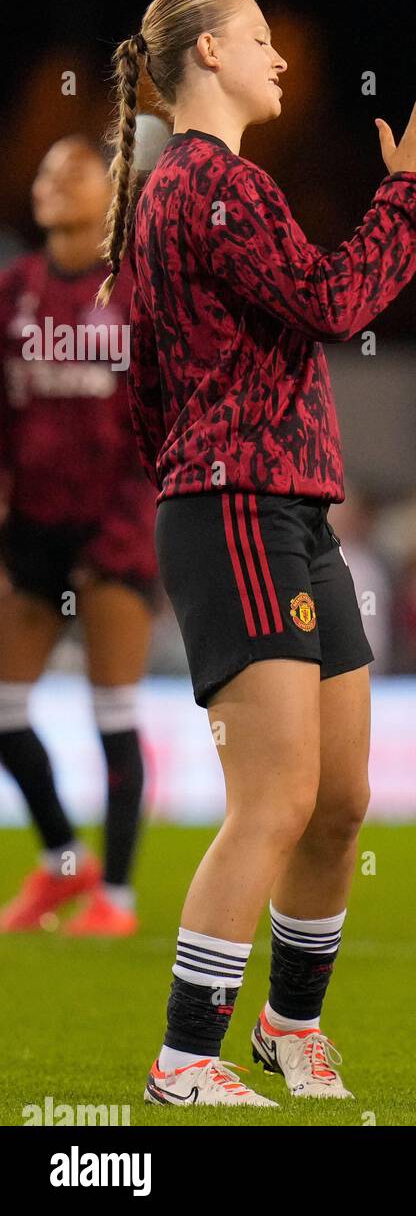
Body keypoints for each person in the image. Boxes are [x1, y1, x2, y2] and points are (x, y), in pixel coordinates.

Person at [96, 0, 416, 1107]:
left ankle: (286, 1030)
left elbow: (150, 391)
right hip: (241, 507)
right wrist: (411, 195)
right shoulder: (210, 182)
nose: (283, 62)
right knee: (274, 801)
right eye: (262, 41)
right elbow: (337, 299)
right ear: (209, 52)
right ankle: (181, 1060)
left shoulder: (186, 186)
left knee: (341, 795)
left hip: (278, 507)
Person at [0, 135, 157, 937]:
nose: (50, 183)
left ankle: (118, 900)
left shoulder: (135, 290)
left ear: (113, 190)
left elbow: (160, 424)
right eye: (43, 170)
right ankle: (65, 863)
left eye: (72, 172)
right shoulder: (15, 290)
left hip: (114, 532)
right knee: (4, 707)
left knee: (112, 709)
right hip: (32, 531)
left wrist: (130, 528)